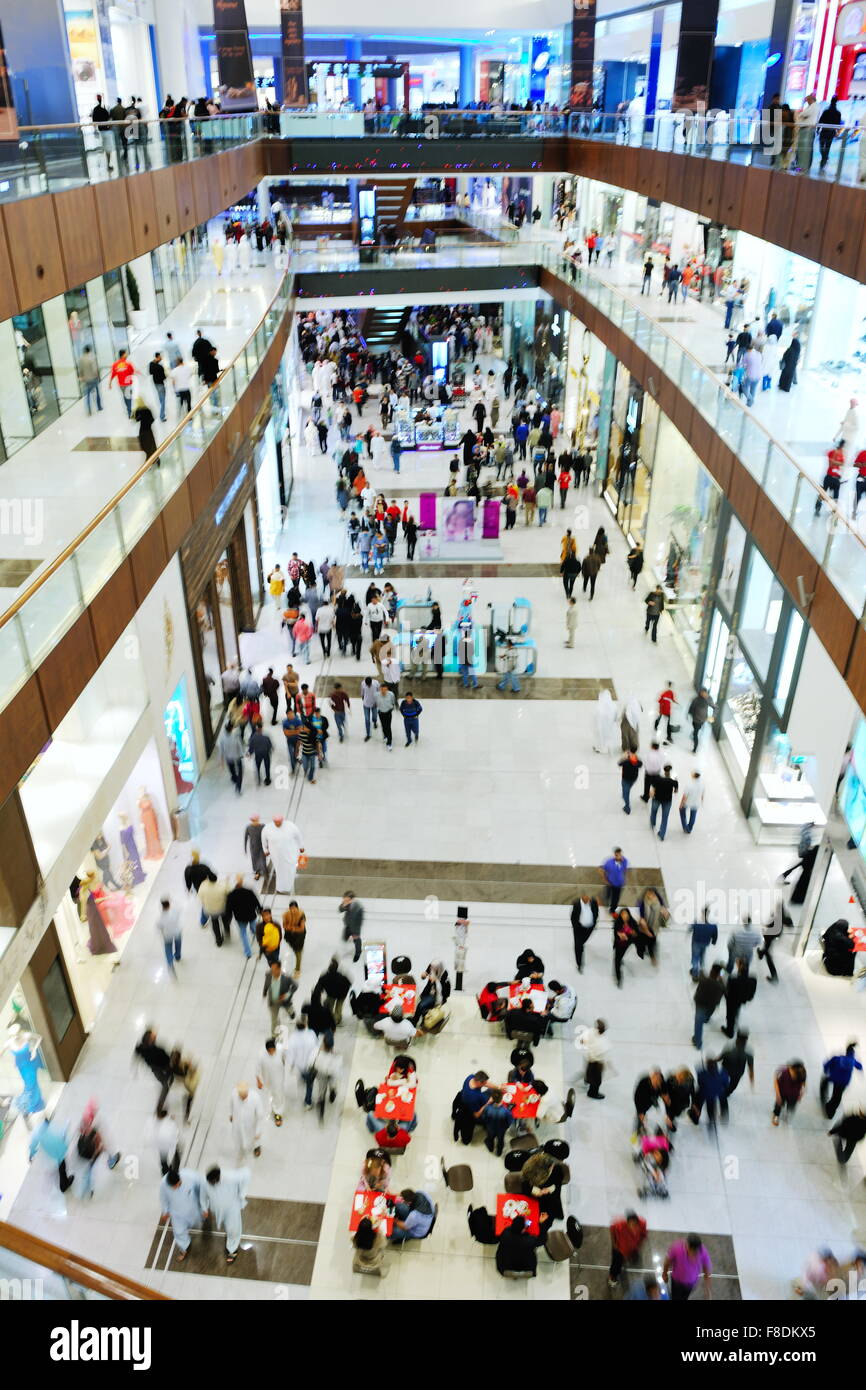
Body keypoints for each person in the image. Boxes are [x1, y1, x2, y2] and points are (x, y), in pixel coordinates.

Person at [204, 1165, 249, 1264]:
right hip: (219, 1210)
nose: (210, 1184)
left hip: (232, 1208)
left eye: (212, 1182)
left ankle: (232, 1249)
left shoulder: (231, 1177)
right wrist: (205, 1208)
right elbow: (204, 1193)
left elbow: (246, 1172)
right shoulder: (208, 1182)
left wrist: (242, 1194)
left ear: (218, 1177)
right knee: (227, 1226)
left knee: (233, 1229)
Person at [159, 1167, 206, 1260]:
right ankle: (184, 1248)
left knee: (200, 1223)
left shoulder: (190, 1176)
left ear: (180, 1178)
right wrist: (165, 1211)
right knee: (179, 1231)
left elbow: (203, 1188)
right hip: (177, 1213)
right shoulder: (163, 1184)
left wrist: (204, 1207)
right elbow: (163, 1198)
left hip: (194, 1209)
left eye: (178, 1185)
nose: (176, 1187)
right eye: (173, 1187)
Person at [663, 1234, 712, 1301]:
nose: (694, 1255)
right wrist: (664, 1273)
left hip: (691, 1284)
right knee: (675, 1296)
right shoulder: (677, 1248)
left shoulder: (703, 1252)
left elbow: (707, 1271)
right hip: (676, 1282)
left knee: (684, 1297)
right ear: (687, 1246)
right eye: (692, 1251)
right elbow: (667, 1261)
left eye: (696, 1252)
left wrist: (708, 1289)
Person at [820, 1043, 862, 1119]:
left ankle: (823, 1096)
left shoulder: (837, 1058)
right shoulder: (853, 1061)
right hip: (844, 1082)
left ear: (846, 1052)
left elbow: (826, 1064)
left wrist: (826, 1070)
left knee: (825, 1082)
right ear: (853, 1054)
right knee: (837, 1096)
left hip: (834, 1078)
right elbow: (860, 1067)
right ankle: (831, 1112)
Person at [609, 1211, 647, 1288]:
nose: (633, 1226)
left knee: (628, 1258)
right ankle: (612, 1277)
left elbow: (643, 1234)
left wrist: (639, 1244)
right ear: (627, 1222)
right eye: (631, 1223)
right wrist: (614, 1243)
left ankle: (625, 1259)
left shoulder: (642, 1223)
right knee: (616, 1264)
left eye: (635, 1223)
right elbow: (612, 1229)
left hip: (632, 1247)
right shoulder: (619, 1225)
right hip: (619, 1248)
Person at [692, 964, 725, 1049]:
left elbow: (695, 979)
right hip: (712, 1004)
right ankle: (706, 1019)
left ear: (711, 971)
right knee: (708, 1014)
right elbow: (724, 993)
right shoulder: (720, 985)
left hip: (700, 1003)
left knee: (698, 1022)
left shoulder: (703, 979)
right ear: (719, 974)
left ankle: (698, 1042)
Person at [722, 958, 757, 1038]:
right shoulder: (753, 979)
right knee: (736, 1010)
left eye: (737, 964)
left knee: (730, 1015)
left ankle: (729, 1032)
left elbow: (728, 990)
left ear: (740, 967)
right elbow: (752, 991)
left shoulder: (733, 979)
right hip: (742, 1000)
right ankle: (735, 1019)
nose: (736, 965)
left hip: (732, 1001)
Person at [256, 1038, 287, 1126]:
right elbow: (257, 1068)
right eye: (269, 1051)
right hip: (267, 1079)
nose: (271, 1052)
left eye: (273, 1050)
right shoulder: (261, 1054)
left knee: (278, 1095)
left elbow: (284, 1057)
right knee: (269, 1094)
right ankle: (271, 1107)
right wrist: (258, 1080)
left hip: (279, 1078)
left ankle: (278, 1114)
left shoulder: (280, 1049)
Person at [691, 1057, 730, 1127]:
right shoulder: (723, 1073)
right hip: (717, 1093)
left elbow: (700, 1083)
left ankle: (695, 1119)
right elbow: (726, 1084)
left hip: (704, 1093)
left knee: (698, 1103)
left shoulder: (701, 1073)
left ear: (707, 1067)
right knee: (711, 1106)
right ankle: (713, 1118)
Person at [576, 1018, 609, 1099]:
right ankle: (592, 1093)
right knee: (597, 1080)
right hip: (596, 1061)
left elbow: (581, 1040)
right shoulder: (602, 1042)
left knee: (589, 1071)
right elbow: (601, 1054)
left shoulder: (590, 1031)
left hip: (588, 1057)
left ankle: (587, 1080)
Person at [229, 1082, 263, 1161]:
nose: (242, 1097)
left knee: (253, 1137)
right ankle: (241, 1151)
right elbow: (231, 1104)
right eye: (240, 1095)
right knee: (238, 1137)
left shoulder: (255, 1098)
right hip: (238, 1121)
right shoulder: (234, 1094)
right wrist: (231, 1114)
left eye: (243, 1095)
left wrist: (258, 1130)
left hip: (251, 1123)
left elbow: (259, 1115)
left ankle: (256, 1147)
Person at [718, 1030, 755, 1100]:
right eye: (740, 1040)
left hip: (737, 1072)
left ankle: (726, 1093)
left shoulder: (749, 1050)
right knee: (722, 1082)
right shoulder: (729, 1045)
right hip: (726, 1069)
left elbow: (750, 1066)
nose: (741, 1042)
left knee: (733, 1086)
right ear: (737, 1038)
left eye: (743, 1041)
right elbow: (722, 1056)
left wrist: (751, 1078)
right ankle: (722, 1091)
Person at [263, 960, 297, 1033]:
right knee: (274, 1020)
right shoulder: (268, 975)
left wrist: (287, 994)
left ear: (279, 969)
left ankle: (292, 1013)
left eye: (274, 969)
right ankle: (274, 1035)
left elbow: (295, 985)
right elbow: (266, 984)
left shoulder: (287, 978)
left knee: (289, 1010)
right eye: (271, 969)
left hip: (284, 1000)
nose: (272, 971)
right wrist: (265, 992)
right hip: (273, 1001)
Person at [772, 1060, 807, 1125]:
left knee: (791, 1107)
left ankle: (787, 1115)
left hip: (794, 1095)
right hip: (782, 1093)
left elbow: (803, 1084)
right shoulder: (784, 1072)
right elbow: (776, 1082)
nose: (790, 1071)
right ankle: (776, 1116)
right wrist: (778, 1094)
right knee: (778, 1105)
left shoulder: (802, 1074)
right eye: (790, 1069)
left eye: (792, 1071)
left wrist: (801, 1093)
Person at [648, 763, 678, 840]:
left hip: (657, 799)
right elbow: (676, 790)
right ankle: (662, 834)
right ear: (670, 772)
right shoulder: (673, 781)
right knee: (665, 817)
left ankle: (652, 824)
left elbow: (652, 785)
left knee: (654, 811)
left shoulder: (657, 779)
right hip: (667, 801)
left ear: (663, 770)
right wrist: (674, 790)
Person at [689, 908, 718, 981]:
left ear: (702, 913)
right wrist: (713, 942)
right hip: (705, 943)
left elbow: (690, 928)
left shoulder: (697, 921)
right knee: (702, 956)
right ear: (708, 913)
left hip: (696, 942)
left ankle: (695, 973)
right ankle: (701, 971)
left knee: (695, 957)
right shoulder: (712, 923)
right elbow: (715, 933)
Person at [570, 894, 598, 972]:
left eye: (588, 898)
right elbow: (573, 917)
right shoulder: (577, 904)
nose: (587, 900)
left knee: (581, 943)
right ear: (581, 898)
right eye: (584, 898)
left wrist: (594, 922)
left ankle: (580, 945)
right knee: (578, 946)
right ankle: (579, 964)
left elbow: (596, 912)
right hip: (579, 928)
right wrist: (575, 926)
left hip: (589, 928)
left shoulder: (593, 902)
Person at [155, 896, 182, 975]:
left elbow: (158, 928)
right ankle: (178, 956)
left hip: (167, 935)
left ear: (162, 906)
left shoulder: (160, 918)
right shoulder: (175, 912)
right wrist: (172, 900)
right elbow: (180, 907)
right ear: (169, 904)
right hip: (177, 932)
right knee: (178, 945)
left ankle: (170, 962)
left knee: (168, 948)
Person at [612, 908, 639, 987]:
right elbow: (615, 934)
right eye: (622, 914)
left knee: (621, 956)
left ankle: (620, 959)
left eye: (626, 914)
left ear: (628, 915)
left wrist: (631, 933)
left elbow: (636, 934)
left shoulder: (632, 922)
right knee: (617, 961)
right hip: (618, 944)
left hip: (626, 944)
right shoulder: (617, 922)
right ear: (620, 915)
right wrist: (619, 936)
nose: (624, 916)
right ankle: (619, 978)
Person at [600, 847, 628, 913]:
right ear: (615, 854)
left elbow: (625, 870)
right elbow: (601, 869)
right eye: (617, 855)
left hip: (619, 884)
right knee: (608, 895)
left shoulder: (625, 861)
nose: (619, 856)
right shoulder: (609, 862)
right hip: (610, 883)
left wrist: (623, 878)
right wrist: (605, 879)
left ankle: (612, 909)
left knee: (616, 898)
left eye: (620, 854)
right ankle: (606, 903)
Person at [109, 349, 136, 417]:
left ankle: (128, 409)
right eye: (125, 354)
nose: (126, 355)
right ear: (123, 355)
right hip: (128, 384)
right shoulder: (128, 364)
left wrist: (110, 382)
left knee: (125, 396)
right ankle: (130, 412)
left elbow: (113, 374)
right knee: (129, 397)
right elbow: (132, 372)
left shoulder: (115, 365)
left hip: (121, 385)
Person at [338, 890, 363, 963]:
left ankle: (358, 953)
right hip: (348, 925)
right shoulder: (346, 904)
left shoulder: (358, 907)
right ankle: (347, 948)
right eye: (344, 899)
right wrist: (344, 905)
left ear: (351, 899)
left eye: (346, 899)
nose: (344, 901)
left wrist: (356, 931)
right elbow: (340, 910)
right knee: (344, 938)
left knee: (357, 940)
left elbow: (358, 920)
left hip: (355, 927)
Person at [687, 687, 712, 752]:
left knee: (696, 732)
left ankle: (695, 747)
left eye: (705, 693)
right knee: (696, 731)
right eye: (703, 693)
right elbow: (691, 707)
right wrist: (689, 713)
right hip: (696, 719)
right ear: (700, 693)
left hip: (702, 720)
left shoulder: (707, 700)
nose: (704, 694)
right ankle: (695, 745)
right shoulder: (696, 700)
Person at [618, 751, 642, 815]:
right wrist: (636, 757)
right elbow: (640, 763)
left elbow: (619, 763)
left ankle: (627, 807)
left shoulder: (626, 762)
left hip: (625, 779)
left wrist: (623, 757)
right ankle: (625, 796)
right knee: (627, 790)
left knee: (625, 794)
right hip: (633, 779)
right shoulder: (638, 762)